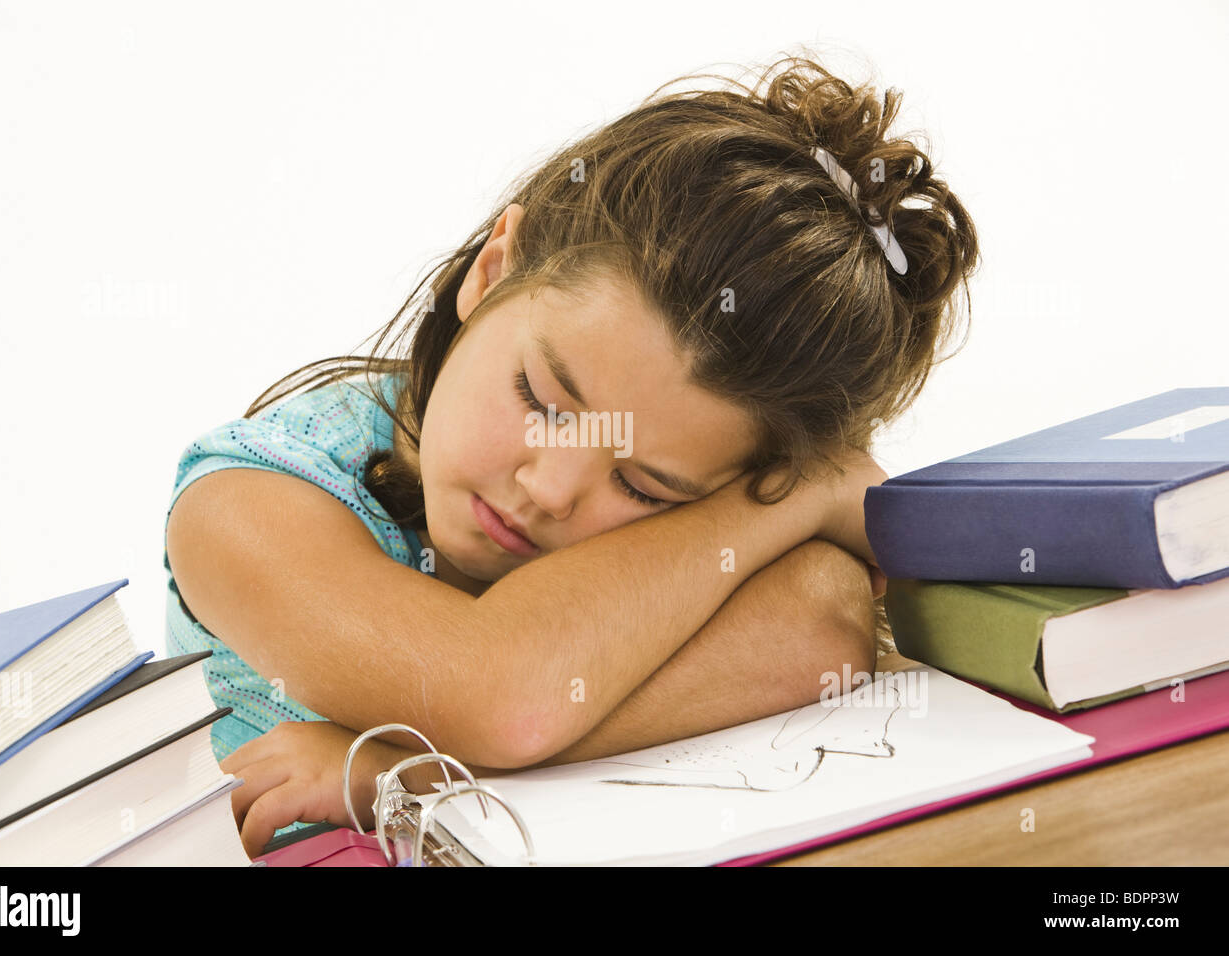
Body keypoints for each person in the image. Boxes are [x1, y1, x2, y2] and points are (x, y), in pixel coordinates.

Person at [163, 51, 980, 859]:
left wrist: (400, 770)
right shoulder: (246, 500)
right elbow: (497, 696)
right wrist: (808, 497)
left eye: (643, 485)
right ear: (491, 271)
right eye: (542, 400)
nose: (549, 489)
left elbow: (819, 621)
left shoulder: (731, 504)